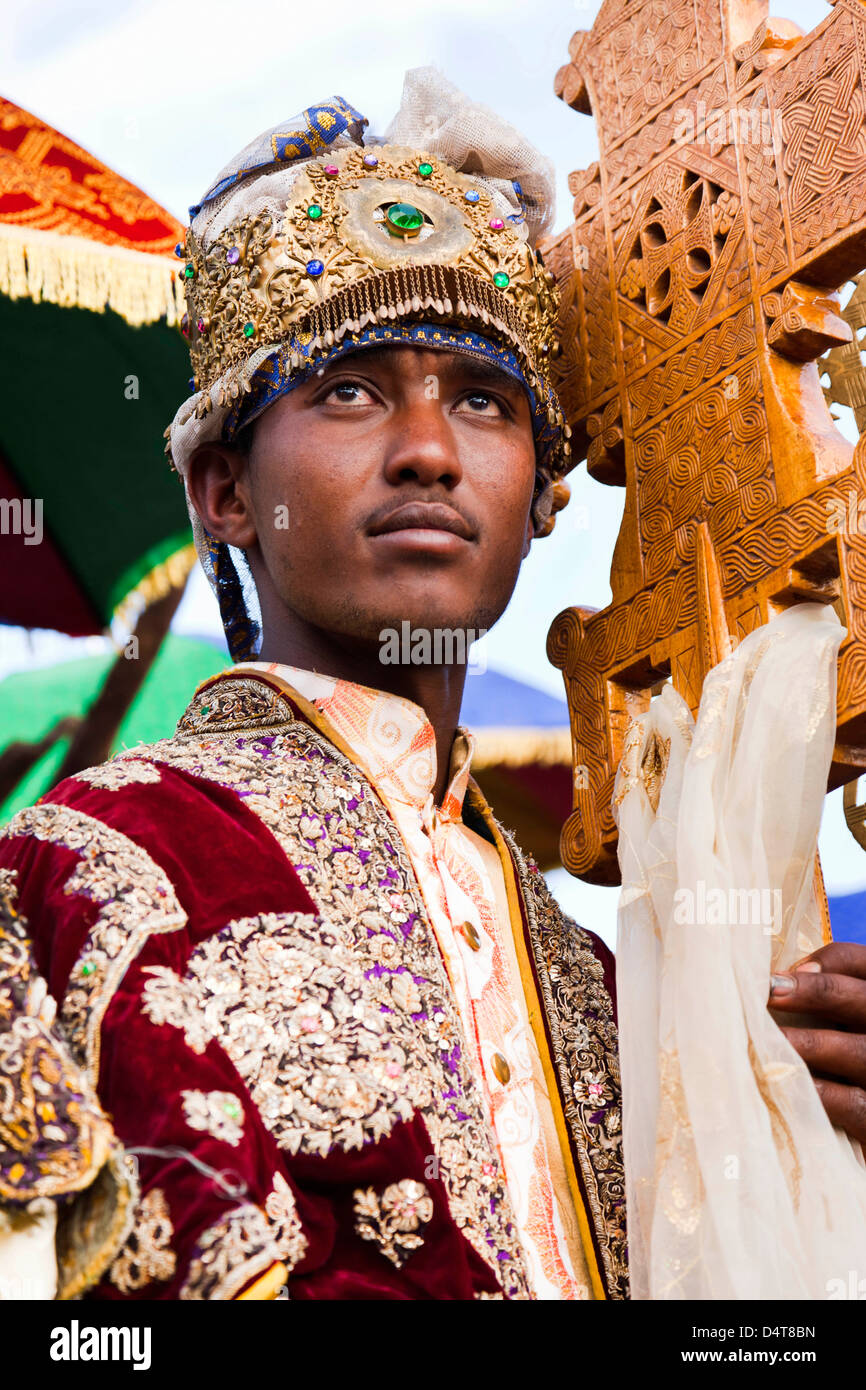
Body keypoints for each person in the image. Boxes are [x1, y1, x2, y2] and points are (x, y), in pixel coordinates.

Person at [0, 70, 626, 1302]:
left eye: (484, 401)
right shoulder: (65, 876)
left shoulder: (596, 985)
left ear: (542, 495)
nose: (430, 451)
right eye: (348, 390)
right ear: (225, 492)